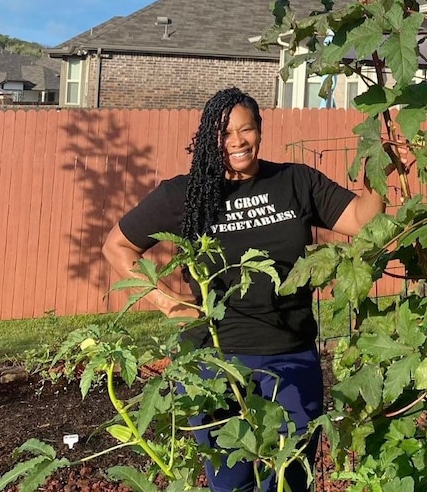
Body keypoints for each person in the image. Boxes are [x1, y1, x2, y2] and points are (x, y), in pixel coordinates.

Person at [102, 86, 386, 492]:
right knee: (232, 483)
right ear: (208, 139)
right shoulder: (184, 194)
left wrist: (381, 172)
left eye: (246, 129)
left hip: (291, 360)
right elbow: (117, 245)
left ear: (260, 130)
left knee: (289, 481)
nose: (237, 141)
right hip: (214, 363)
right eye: (225, 133)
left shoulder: (294, 181)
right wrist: (167, 302)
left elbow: (361, 222)